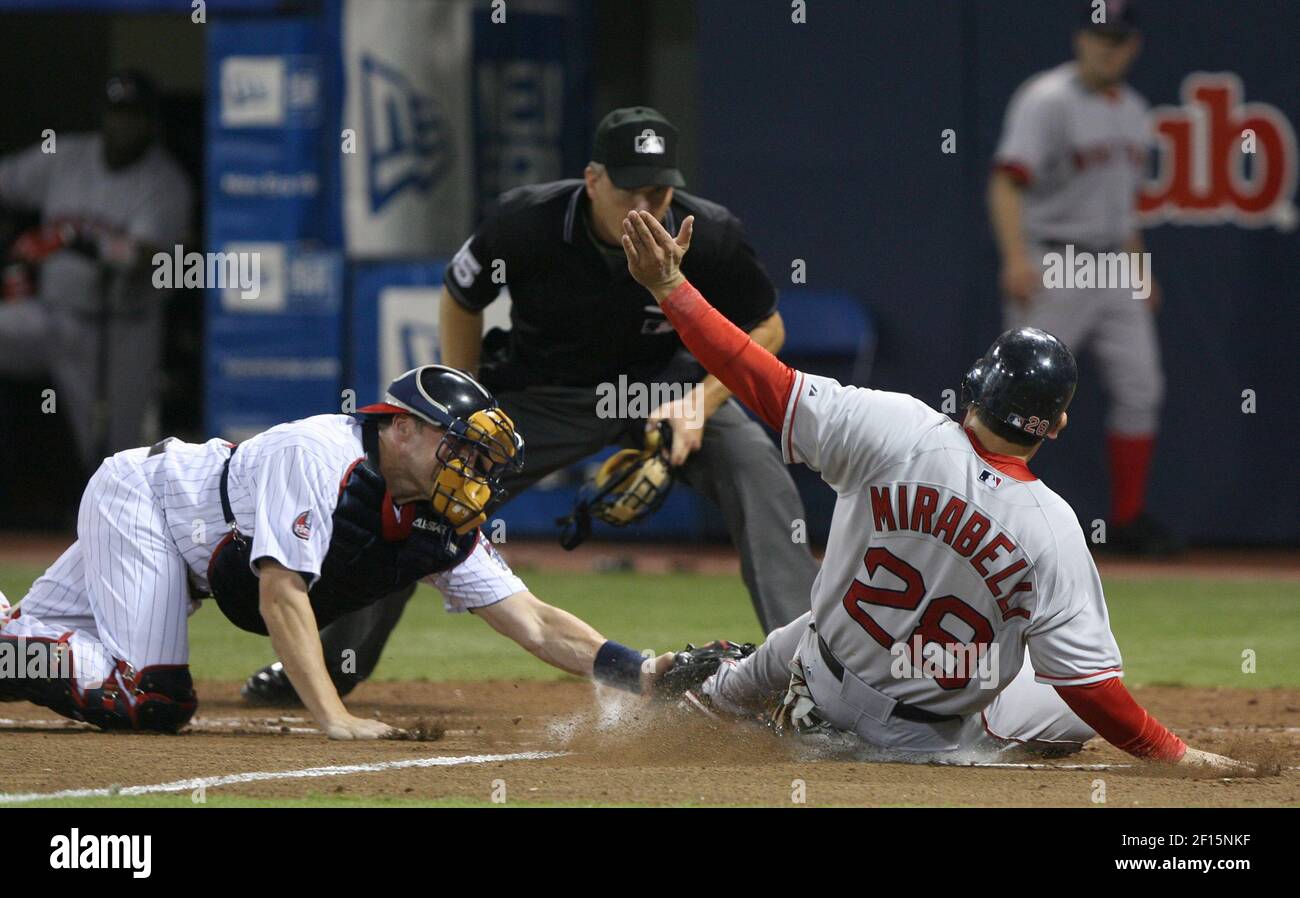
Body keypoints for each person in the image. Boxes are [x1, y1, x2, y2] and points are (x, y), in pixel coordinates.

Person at [625, 208, 1242, 770]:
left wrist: (670, 286)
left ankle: (723, 691)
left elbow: (759, 376)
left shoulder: (893, 427)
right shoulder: (1053, 528)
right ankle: (764, 697)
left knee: (830, 613)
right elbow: (1091, 689)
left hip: (824, 675)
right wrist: (1177, 754)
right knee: (1069, 695)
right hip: (919, 739)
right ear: (1056, 425)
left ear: (974, 387)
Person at [239, 106, 819, 704]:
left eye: (659, 189)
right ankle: (331, 665)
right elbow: (462, 295)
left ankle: (811, 671)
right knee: (423, 493)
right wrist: (461, 409)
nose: (647, 204)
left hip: (663, 396)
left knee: (757, 472)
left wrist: (702, 400)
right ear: (593, 179)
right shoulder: (528, 221)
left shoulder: (709, 234)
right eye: (630, 188)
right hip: (545, 396)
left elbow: (767, 326)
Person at [0, 365, 672, 738]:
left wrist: (639, 671)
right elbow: (281, 593)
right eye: (459, 449)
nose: (470, 470)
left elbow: (535, 622)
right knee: (151, 698)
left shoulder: (439, 520)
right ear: (402, 428)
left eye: (477, 459)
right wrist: (334, 717)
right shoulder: (320, 456)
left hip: (185, 547)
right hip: (144, 502)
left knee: (19, 655)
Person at [988, 0, 1178, 556]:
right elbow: (1007, 183)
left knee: (1141, 388)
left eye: (1117, 39)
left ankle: (1127, 519)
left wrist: (1139, 269)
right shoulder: (1047, 98)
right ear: (1080, 40)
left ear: (1133, 46)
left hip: (1113, 261)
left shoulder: (1135, 108)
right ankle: (989, 509)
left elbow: (1124, 205)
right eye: (1099, 37)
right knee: (1019, 391)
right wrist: (1015, 257)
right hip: (1055, 258)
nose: (1107, 49)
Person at [0, 70, 192, 471]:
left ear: (150, 121)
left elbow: (146, 258)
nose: (123, 123)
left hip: (122, 333)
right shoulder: (67, 155)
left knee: (117, 457)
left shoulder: (166, 182)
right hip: (52, 318)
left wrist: (70, 237)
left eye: (134, 114)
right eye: (116, 112)